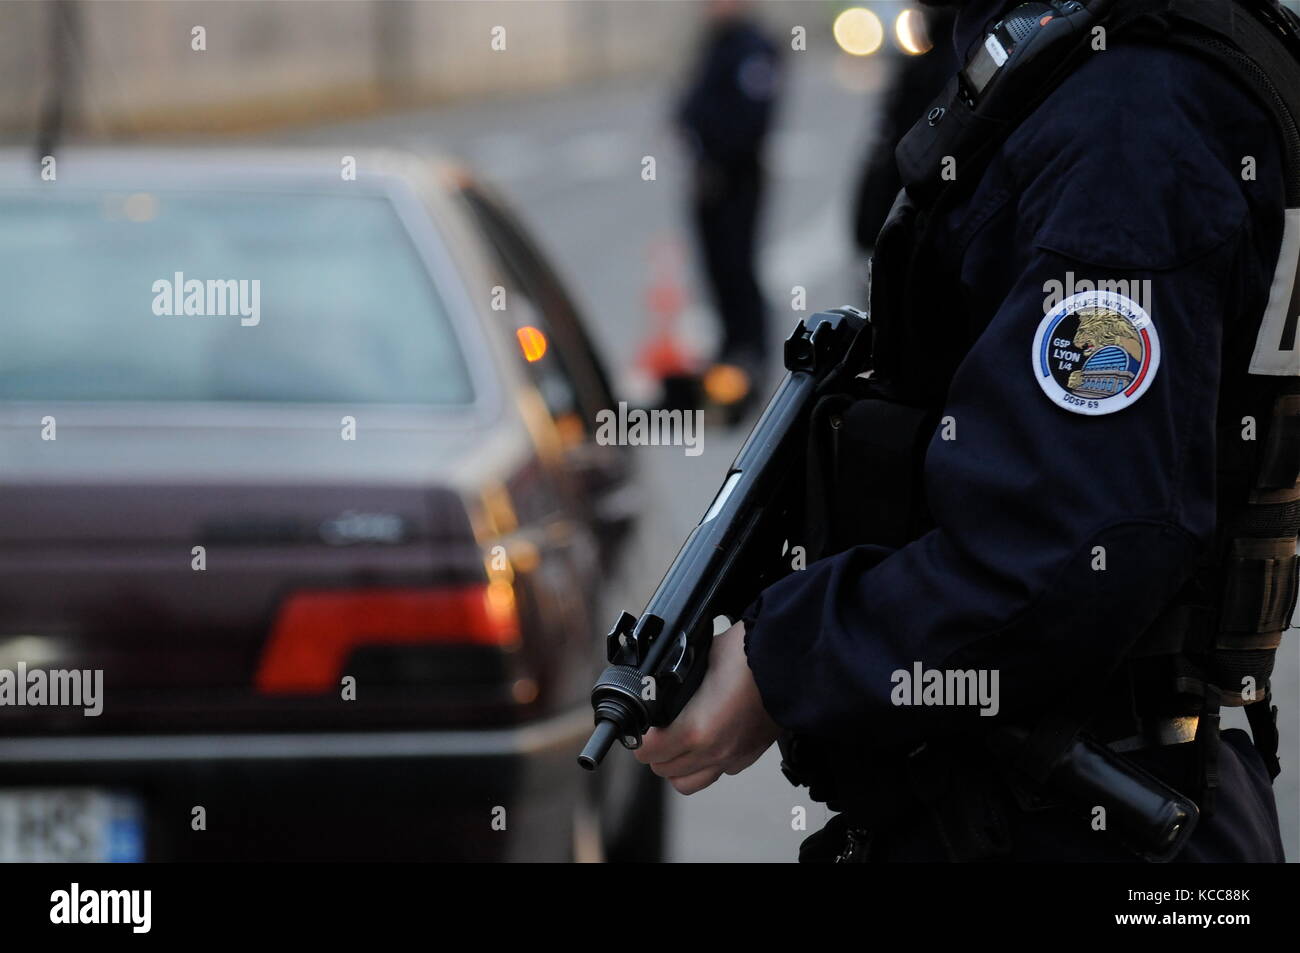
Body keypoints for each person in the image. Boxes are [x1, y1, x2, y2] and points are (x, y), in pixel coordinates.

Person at [636, 0, 1297, 862]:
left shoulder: (1132, 111)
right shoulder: (1123, 66)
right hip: (1078, 786)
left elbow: (1072, 540)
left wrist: (782, 663)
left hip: (1079, 807)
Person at [675, 0, 780, 415]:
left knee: (738, 264)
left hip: (737, 179)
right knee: (717, 266)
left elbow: (751, 117)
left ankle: (749, 355)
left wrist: (719, 152)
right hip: (709, 178)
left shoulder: (752, 47)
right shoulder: (716, 43)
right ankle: (729, 349)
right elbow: (693, 102)